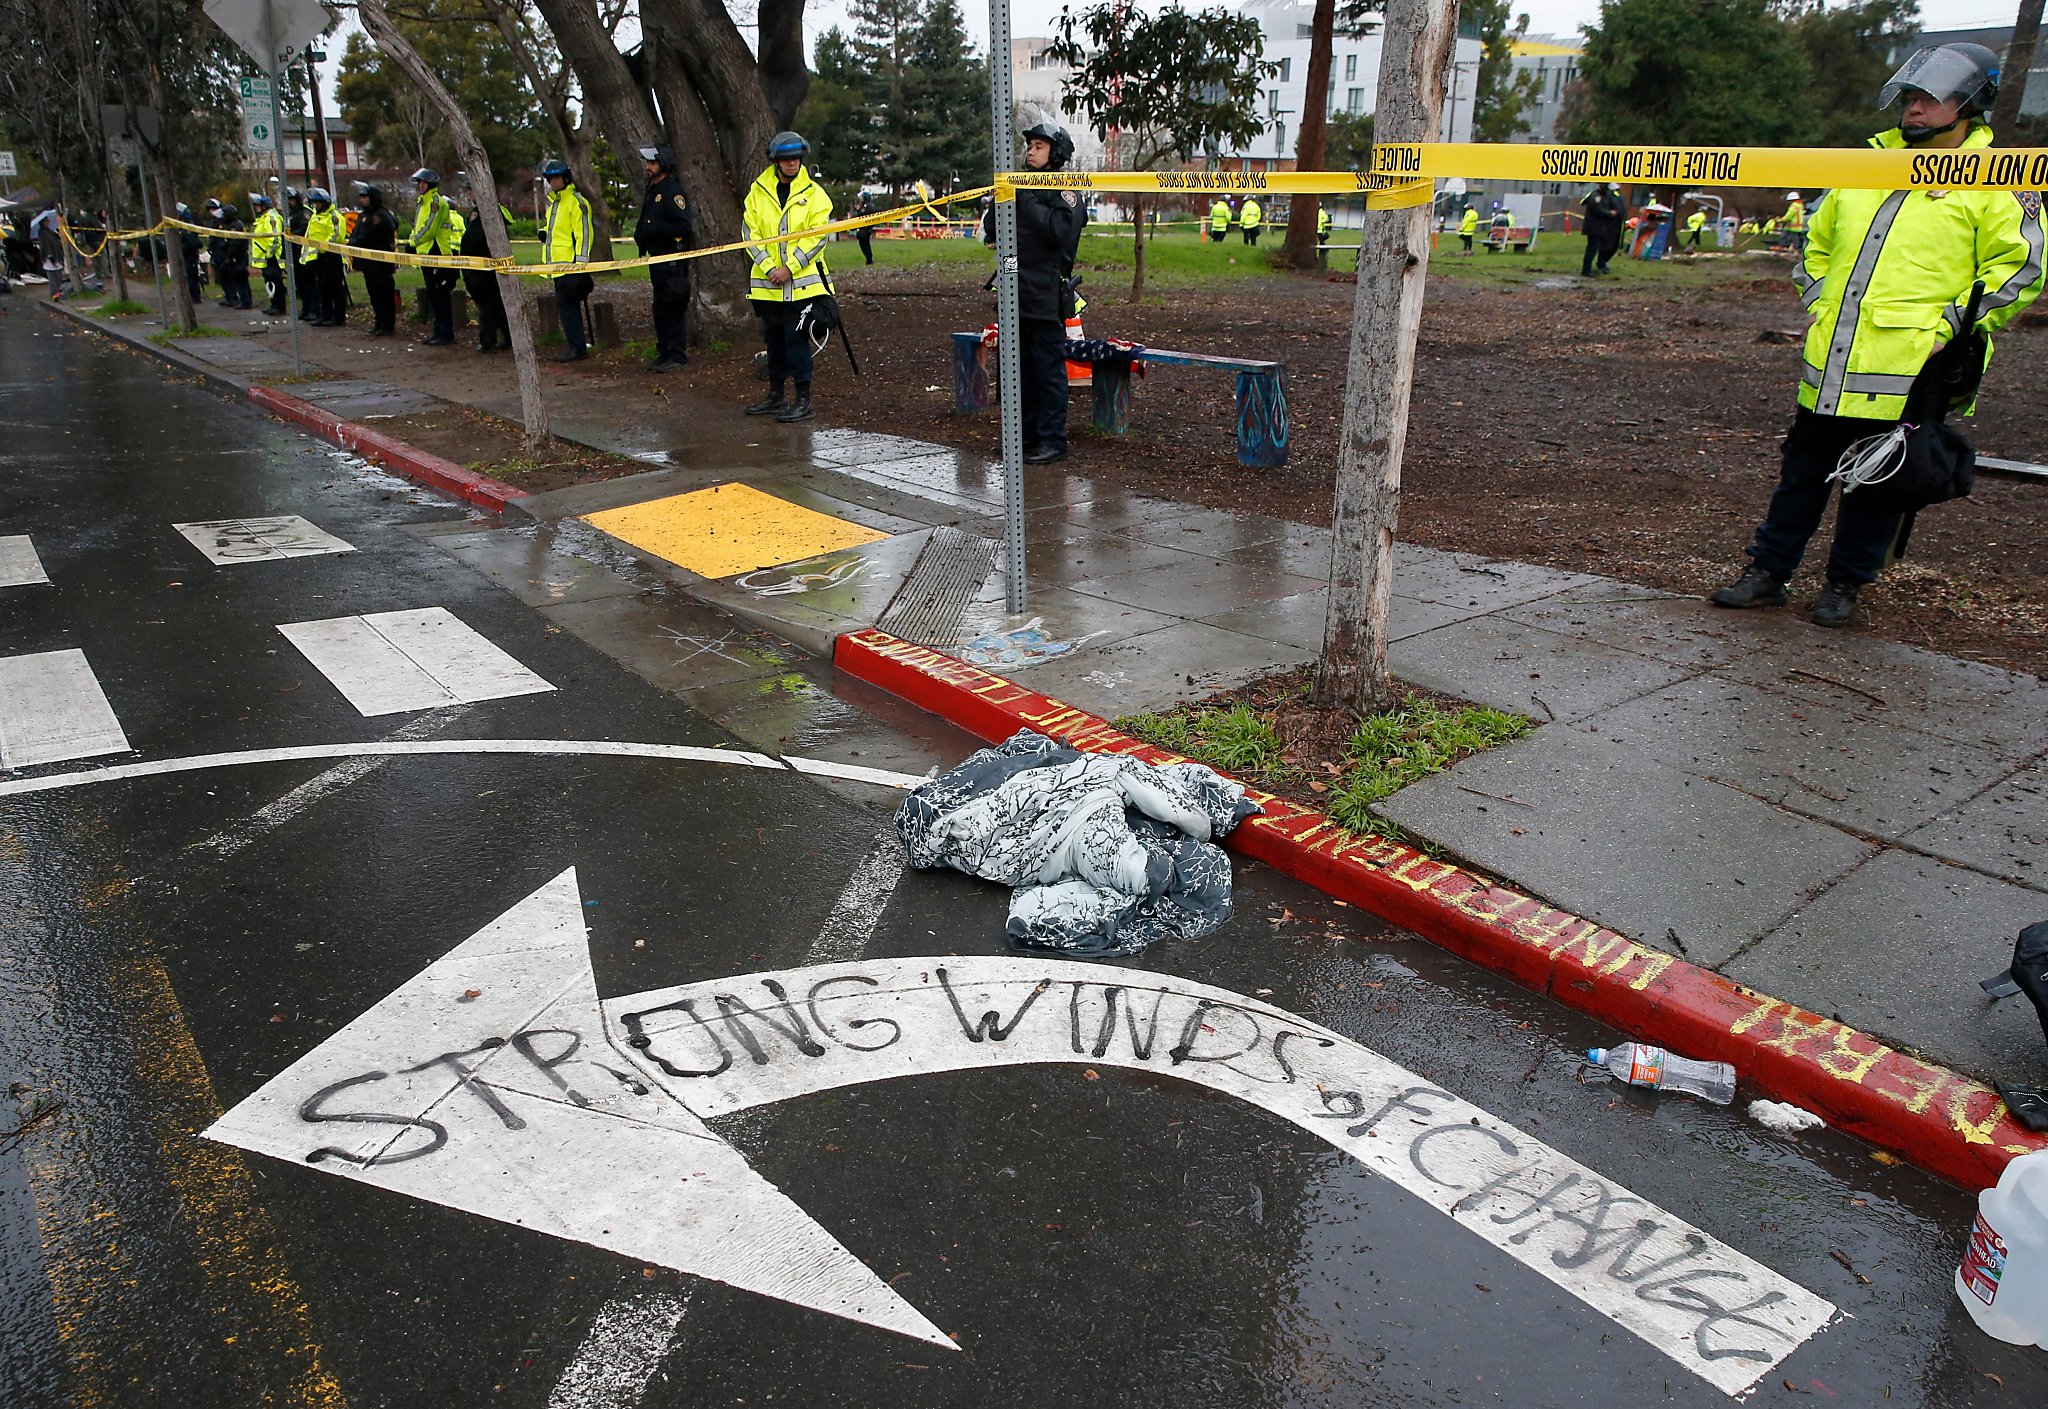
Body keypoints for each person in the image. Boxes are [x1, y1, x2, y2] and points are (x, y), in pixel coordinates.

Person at [1711, 42, 2045, 629]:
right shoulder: (1862, 168)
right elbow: (1814, 246)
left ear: (1970, 102)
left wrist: (1951, 328)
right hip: (1832, 360)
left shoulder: (1996, 180)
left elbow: (2021, 269)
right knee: (1802, 473)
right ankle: (1768, 572)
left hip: (1914, 364)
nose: (1915, 109)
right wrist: (1820, 303)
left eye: (1931, 98)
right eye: (1911, 97)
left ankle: (1845, 585)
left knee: (1880, 482)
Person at [980, 119, 1086, 464]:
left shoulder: (1066, 192)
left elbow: (1057, 232)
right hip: (1014, 292)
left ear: (1055, 153)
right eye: (1030, 146)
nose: (1031, 151)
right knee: (1017, 370)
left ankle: (1052, 440)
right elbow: (992, 230)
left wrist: (1023, 197)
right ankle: (1023, 437)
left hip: (1045, 294)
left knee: (1048, 371)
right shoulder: (1019, 185)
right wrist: (1001, 200)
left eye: (1039, 147)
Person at [742, 130, 834, 423]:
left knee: (796, 342)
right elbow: (748, 234)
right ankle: (776, 395)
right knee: (775, 342)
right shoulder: (757, 192)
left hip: (802, 288)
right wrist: (770, 268)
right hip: (768, 288)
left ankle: (803, 400)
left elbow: (818, 237)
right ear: (776, 161)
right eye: (786, 159)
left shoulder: (815, 194)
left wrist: (789, 268)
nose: (792, 164)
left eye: (796, 158)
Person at [634, 145, 694, 372]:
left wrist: (655, 229)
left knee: (673, 305)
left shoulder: (672, 191)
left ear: (664, 164)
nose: (648, 167)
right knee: (659, 307)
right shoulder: (653, 189)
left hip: (672, 260)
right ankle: (664, 352)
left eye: (652, 163)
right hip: (656, 258)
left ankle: (677, 355)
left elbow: (683, 225)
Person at [538, 159, 594, 362]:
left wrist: (580, 263)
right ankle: (576, 345)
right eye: (550, 178)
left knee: (568, 307)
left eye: (557, 178)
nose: (553, 182)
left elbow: (583, 233)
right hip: (558, 266)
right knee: (566, 308)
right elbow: (559, 231)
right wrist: (544, 233)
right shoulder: (555, 203)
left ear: (566, 178)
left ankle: (577, 347)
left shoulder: (575, 201)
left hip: (570, 265)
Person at [406, 168, 459, 345]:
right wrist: (413, 242)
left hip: (438, 252)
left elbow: (430, 228)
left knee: (440, 295)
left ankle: (446, 333)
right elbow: (418, 226)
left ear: (430, 184)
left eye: (423, 182)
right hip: (427, 251)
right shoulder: (423, 202)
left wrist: (413, 242)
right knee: (434, 295)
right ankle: (438, 331)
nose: (420, 186)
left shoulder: (436, 202)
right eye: (419, 183)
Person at [460, 194, 511, 353]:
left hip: (487, 266)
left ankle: (489, 340)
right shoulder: (478, 212)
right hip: (479, 266)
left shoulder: (491, 212)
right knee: (492, 305)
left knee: (489, 305)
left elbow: (476, 238)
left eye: (471, 190)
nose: (469, 194)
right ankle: (503, 338)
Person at [350, 182, 399, 335]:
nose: (362, 200)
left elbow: (367, 237)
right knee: (374, 295)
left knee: (384, 294)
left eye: (365, 197)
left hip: (381, 264)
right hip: (368, 264)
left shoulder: (380, 215)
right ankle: (379, 322)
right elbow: (356, 233)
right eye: (361, 197)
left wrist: (353, 242)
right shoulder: (364, 215)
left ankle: (387, 325)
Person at [300, 188, 346, 325]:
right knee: (322, 287)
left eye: (319, 203)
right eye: (315, 203)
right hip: (318, 257)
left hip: (333, 256)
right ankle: (324, 315)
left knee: (335, 288)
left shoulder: (334, 216)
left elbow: (337, 236)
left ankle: (338, 317)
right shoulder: (315, 216)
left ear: (325, 203)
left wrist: (325, 248)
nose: (316, 205)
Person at [251, 194, 287, 313]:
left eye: (258, 206)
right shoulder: (264, 217)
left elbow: (275, 239)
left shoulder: (271, 218)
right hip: (266, 257)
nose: (256, 208)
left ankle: (279, 306)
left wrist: (269, 254)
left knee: (275, 281)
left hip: (273, 257)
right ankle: (274, 305)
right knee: (270, 281)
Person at [1580, 182, 1624, 277]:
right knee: (1591, 249)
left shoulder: (1600, 196)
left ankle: (1587, 269)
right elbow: (1599, 210)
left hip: (1598, 227)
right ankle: (1586, 270)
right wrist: (1610, 213)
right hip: (1594, 227)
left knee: (1593, 249)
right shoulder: (1596, 196)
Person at [212, 203, 252, 309]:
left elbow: (235, 244)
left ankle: (245, 301)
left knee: (240, 278)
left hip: (239, 257)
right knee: (238, 278)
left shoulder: (236, 226)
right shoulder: (234, 224)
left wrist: (229, 257)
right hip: (237, 256)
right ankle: (244, 300)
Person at [286, 188, 316, 321]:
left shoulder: (305, 213)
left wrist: (292, 235)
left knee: (309, 283)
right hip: (294, 252)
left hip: (304, 252)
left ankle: (314, 309)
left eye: (292, 200)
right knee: (300, 283)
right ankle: (306, 308)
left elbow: (304, 229)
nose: (289, 202)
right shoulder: (290, 214)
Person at [853, 190, 876, 265]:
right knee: (864, 244)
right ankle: (869, 258)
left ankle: (869, 259)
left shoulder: (868, 206)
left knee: (864, 244)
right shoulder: (865, 206)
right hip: (864, 228)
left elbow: (861, 215)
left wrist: (858, 211)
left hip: (865, 229)